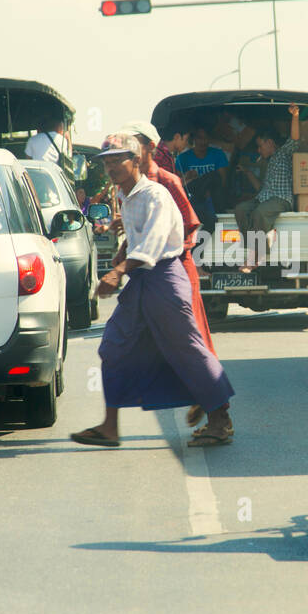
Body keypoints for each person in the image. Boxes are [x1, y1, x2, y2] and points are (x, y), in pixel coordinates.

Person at [70, 133, 234, 449]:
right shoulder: (125, 194)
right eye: (107, 161)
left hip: (165, 276)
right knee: (113, 347)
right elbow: (136, 238)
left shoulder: (156, 194)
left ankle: (220, 418)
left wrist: (119, 270)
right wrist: (121, 255)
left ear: (136, 161)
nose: (111, 167)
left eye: (118, 159)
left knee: (186, 348)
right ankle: (109, 427)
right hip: (143, 278)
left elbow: (154, 243)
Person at [123, 121, 226, 437]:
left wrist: (158, 257)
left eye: (133, 147)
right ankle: (201, 398)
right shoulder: (132, 187)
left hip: (176, 272)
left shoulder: (166, 181)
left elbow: (190, 228)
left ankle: (219, 417)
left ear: (150, 148)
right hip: (152, 278)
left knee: (194, 345)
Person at [233, 104, 300, 270]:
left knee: (260, 212)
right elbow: (260, 189)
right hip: (264, 198)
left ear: (270, 142)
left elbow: (295, 139)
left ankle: (255, 256)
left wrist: (295, 116)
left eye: (260, 145)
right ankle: (259, 246)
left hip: (281, 199)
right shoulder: (267, 163)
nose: (258, 149)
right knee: (241, 209)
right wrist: (247, 172)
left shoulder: (283, 153)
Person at [176, 126, 230, 228]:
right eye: (199, 138)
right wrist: (189, 177)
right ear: (194, 139)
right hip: (193, 199)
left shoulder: (218, 154)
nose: (203, 141)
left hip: (214, 198)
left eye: (206, 138)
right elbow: (179, 186)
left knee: (214, 177)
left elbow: (222, 181)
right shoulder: (183, 158)